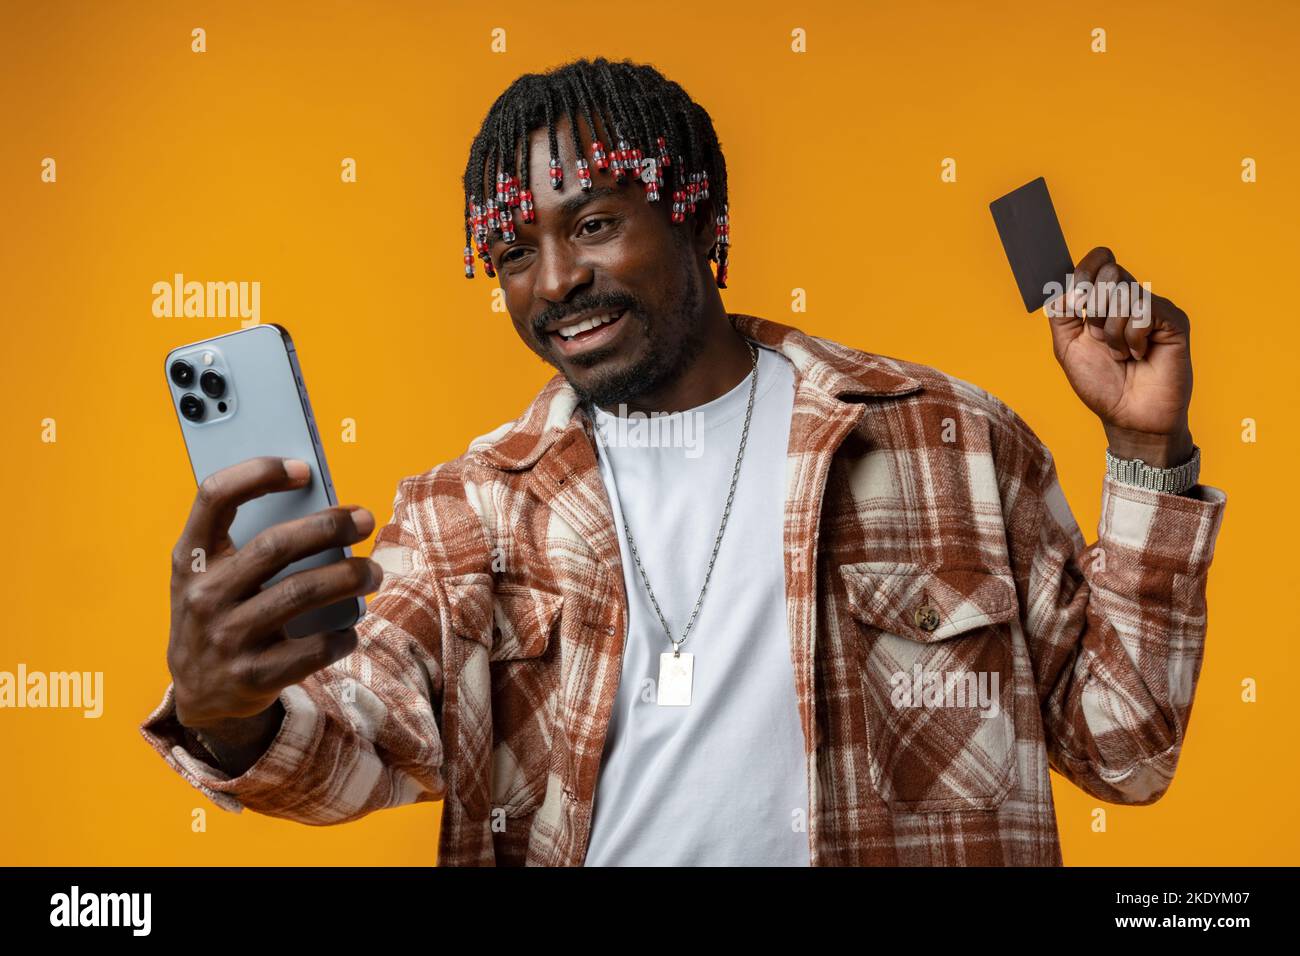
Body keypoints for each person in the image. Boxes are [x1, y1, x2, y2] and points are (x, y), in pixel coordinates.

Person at [140, 56, 1226, 866]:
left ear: (698, 217)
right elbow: (356, 743)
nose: (554, 280)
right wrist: (226, 709)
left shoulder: (949, 442)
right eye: (514, 251)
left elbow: (1126, 750)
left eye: (594, 224)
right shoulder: (470, 511)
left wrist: (1146, 450)